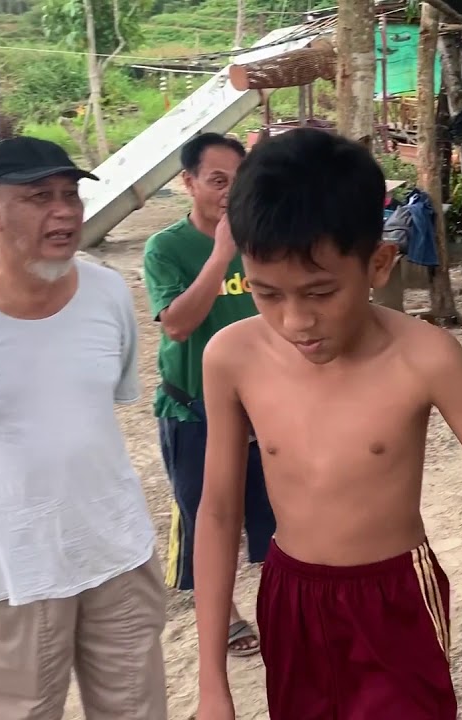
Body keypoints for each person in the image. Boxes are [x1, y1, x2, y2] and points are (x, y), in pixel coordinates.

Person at [192, 128, 462, 720]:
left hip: (395, 596)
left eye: (320, 292)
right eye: (267, 294)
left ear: (379, 263)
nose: (295, 322)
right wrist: (212, 681)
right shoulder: (231, 357)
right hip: (290, 595)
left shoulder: (426, 357)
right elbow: (216, 513)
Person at [0, 137, 167, 718]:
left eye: (70, 195)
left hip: (117, 557)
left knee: (137, 709)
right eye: (39, 197)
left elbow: (90, 408)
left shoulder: (108, 292)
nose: (64, 211)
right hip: (6, 575)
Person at [142, 132, 275, 657]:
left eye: (238, 180)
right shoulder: (167, 248)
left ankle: (278, 604)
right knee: (204, 516)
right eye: (218, 180)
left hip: (264, 406)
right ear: (187, 183)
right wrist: (221, 255)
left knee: (276, 514)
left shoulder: (263, 239)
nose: (229, 191)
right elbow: (176, 324)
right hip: (193, 410)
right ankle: (224, 616)